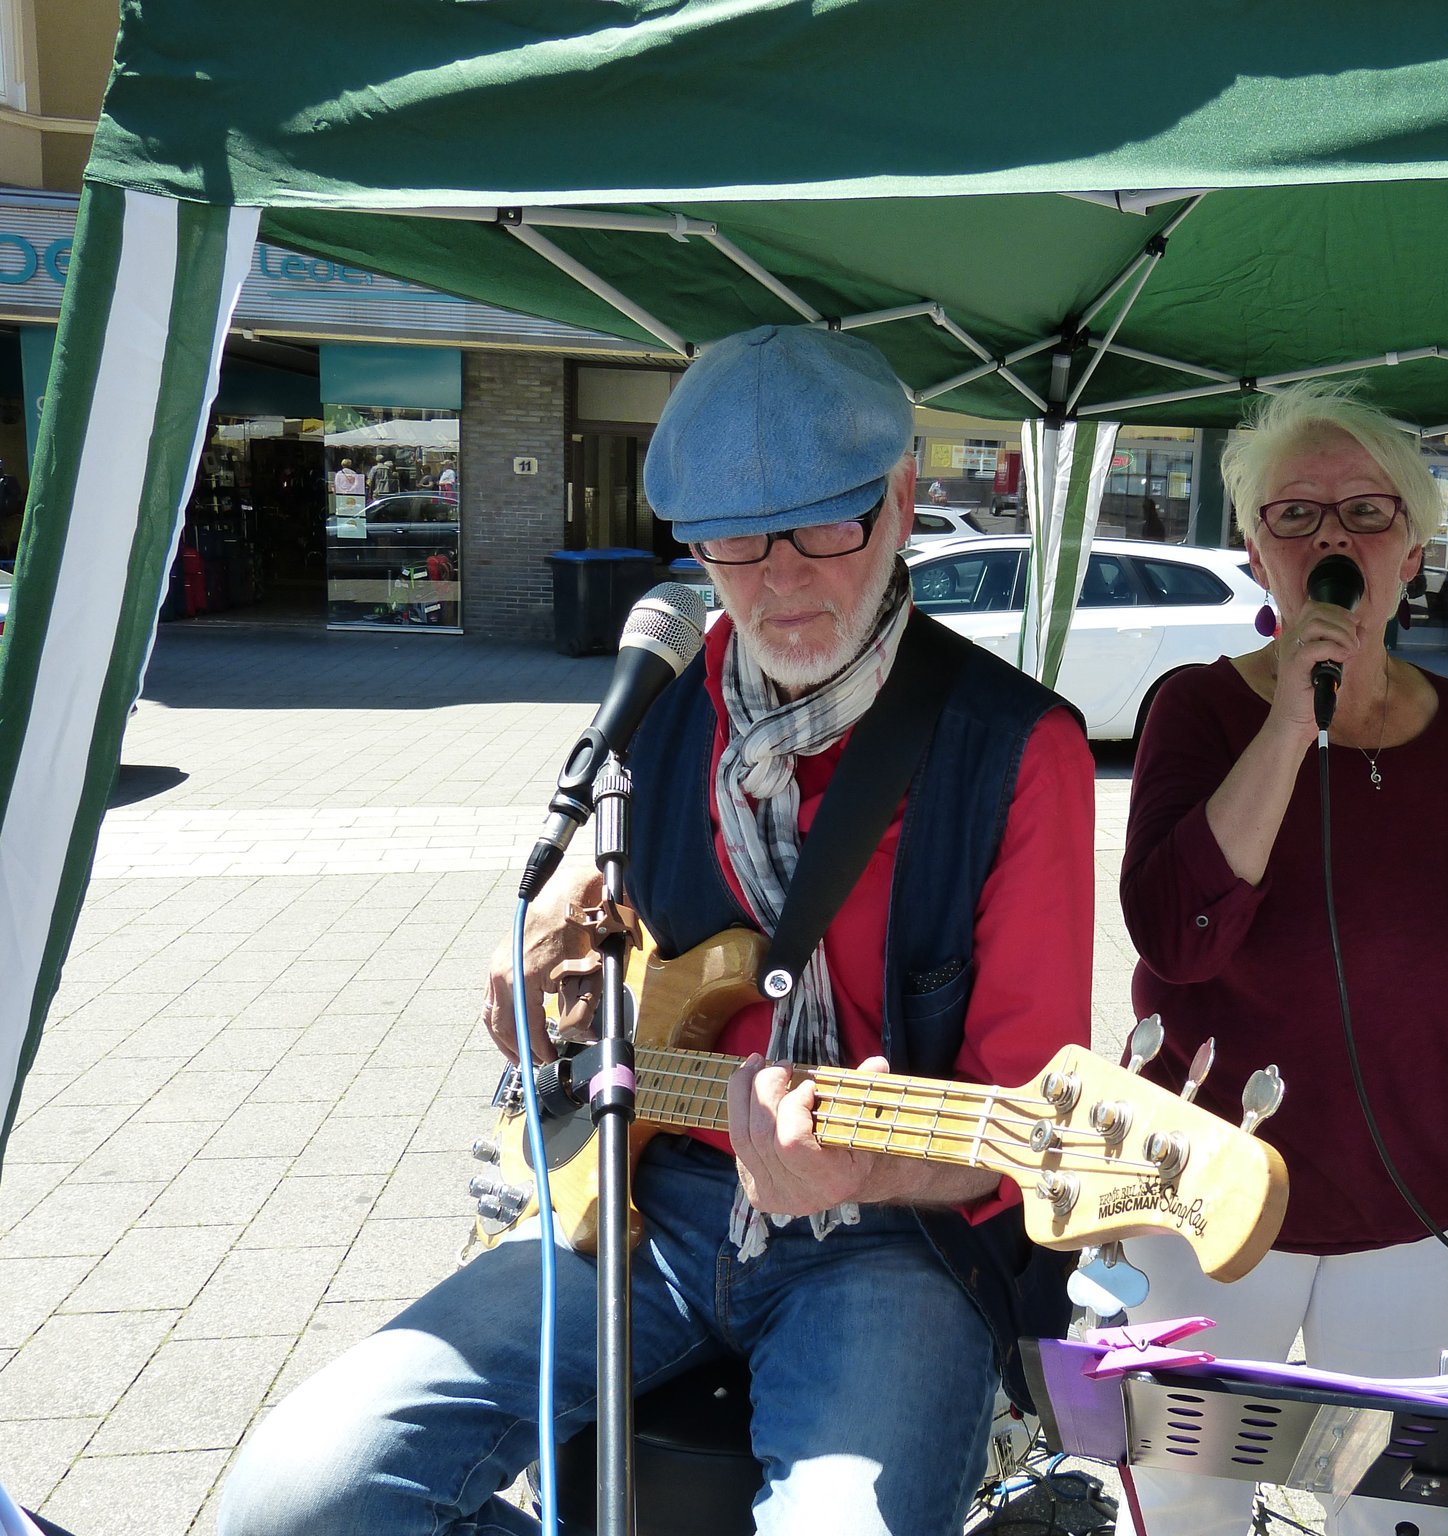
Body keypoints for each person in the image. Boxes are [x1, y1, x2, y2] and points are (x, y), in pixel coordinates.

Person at [218, 325, 1098, 1536]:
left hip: (892, 1245)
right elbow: (601, 939)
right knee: (297, 1493)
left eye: (823, 526)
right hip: (652, 1197)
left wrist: (865, 1164)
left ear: (900, 500)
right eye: (734, 538)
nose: (779, 576)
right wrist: (542, 961)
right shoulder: (660, 696)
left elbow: (1023, 1117)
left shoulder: (1014, 748)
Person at [1115, 382, 1448, 1536]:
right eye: (1295, 515)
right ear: (1253, 551)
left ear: (1414, 546)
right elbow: (1176, 938)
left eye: (1364, 513)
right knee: (1188, 1503)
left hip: (1413, 1194)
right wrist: (1293, 721)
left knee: (1400, 1510)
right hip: (1211, 1191)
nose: (1330, 540)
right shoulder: (1196, 712)